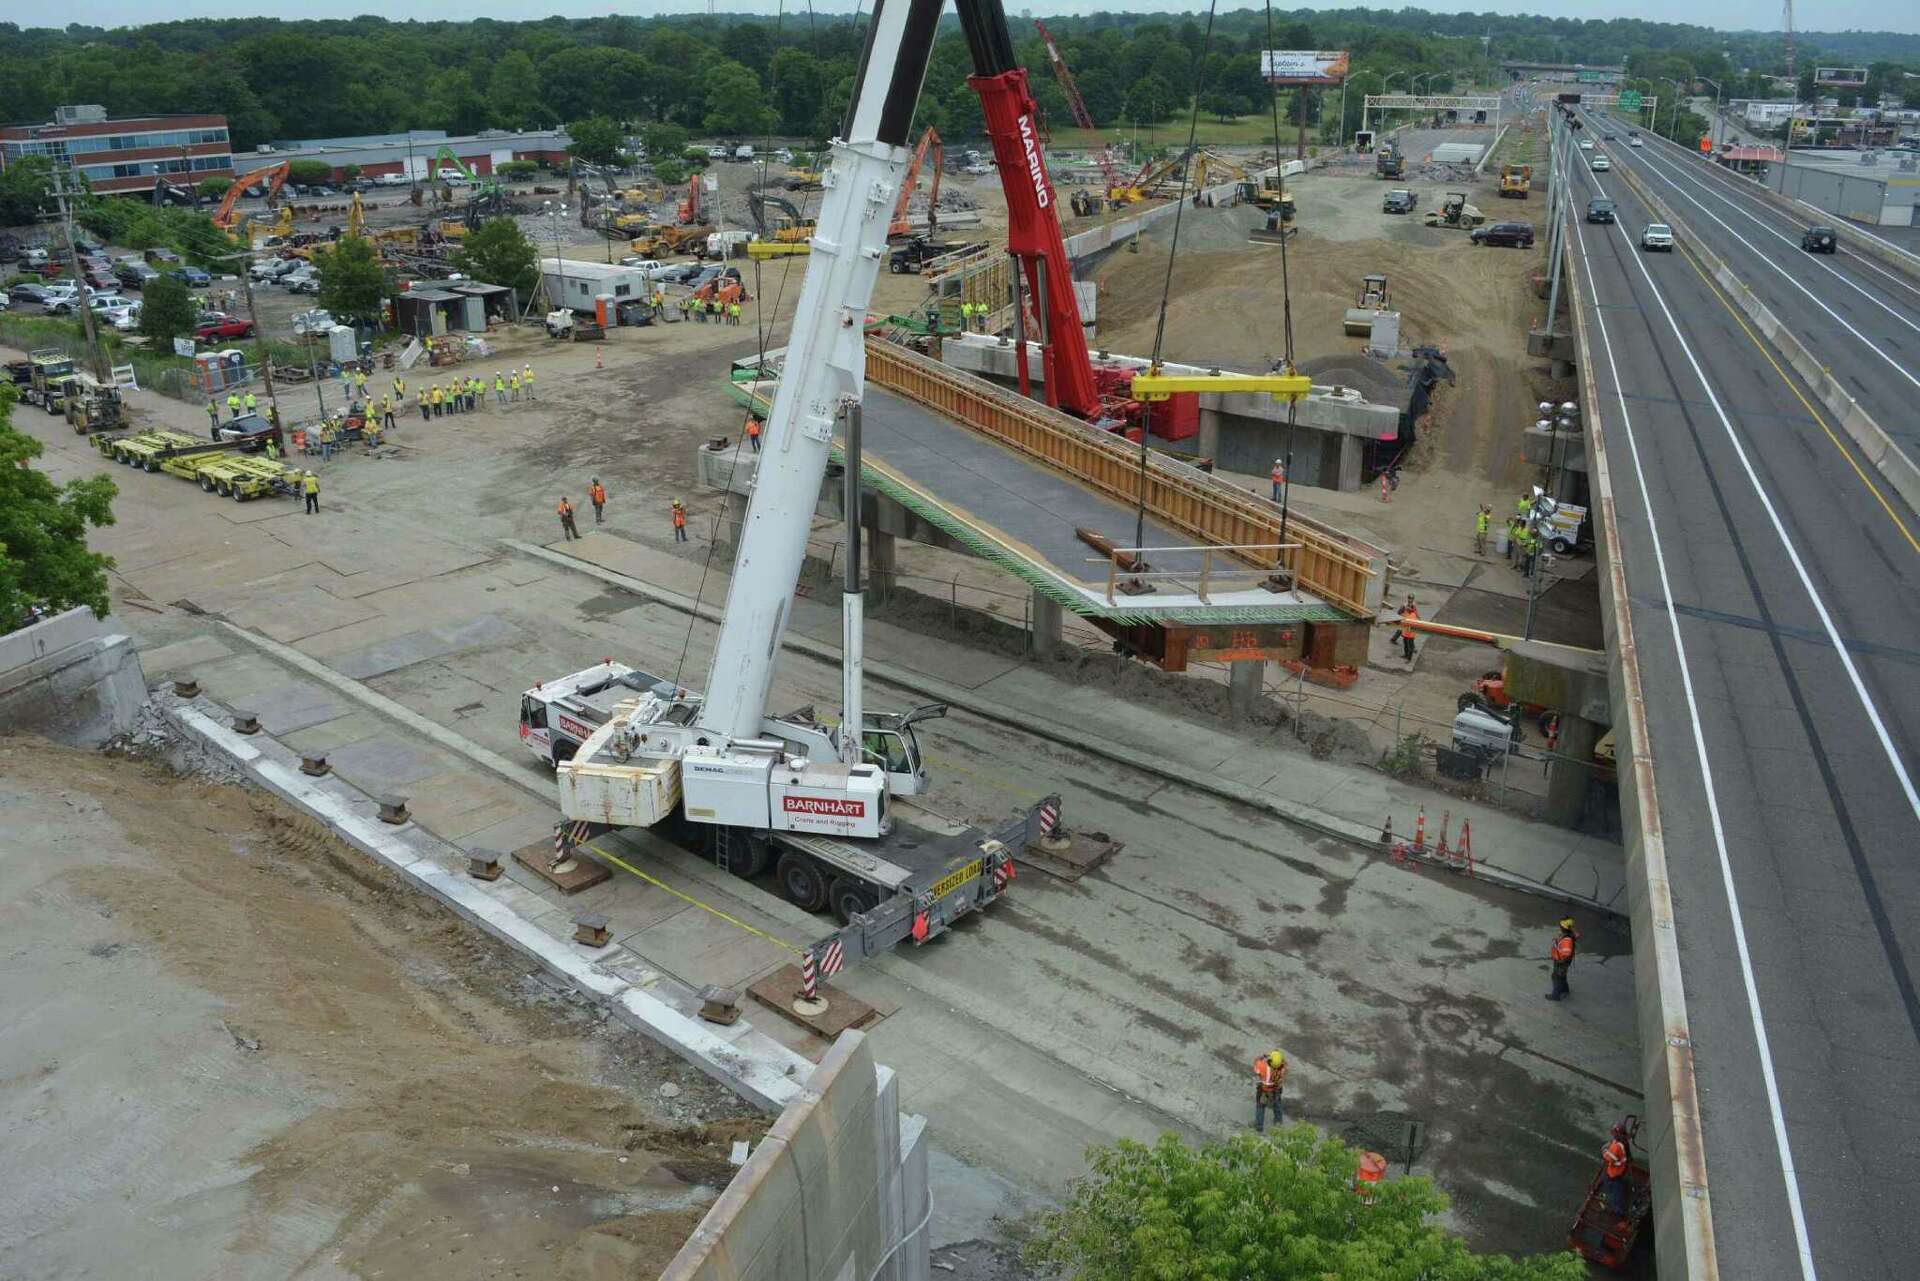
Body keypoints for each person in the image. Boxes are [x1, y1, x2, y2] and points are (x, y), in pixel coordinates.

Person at [1252, 1049, 1288, 1133]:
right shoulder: (1283, 1068)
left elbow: (1256, 1062)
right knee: (1277, 1105)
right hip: (1276, 1089)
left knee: (1260, 1107)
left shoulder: (1263, 1067)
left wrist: (1263, 1056)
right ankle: (1278, 1124)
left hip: (1264, 1090)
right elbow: (1285, 1063)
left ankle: (1259, 1126)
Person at [1548, 917, 1579, 1001]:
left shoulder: (1566, 940)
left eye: (1560, 925)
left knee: (1556, 977)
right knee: (1562, 976)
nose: (1559, 926)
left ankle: (1555, 996)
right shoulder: (1568, 934)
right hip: (1562, 962)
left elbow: (1566, 954)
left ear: (1564, 927)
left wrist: (1560, 962)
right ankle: (1565, 990)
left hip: (1561, 962)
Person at [1602, 1134, 1630, 1217]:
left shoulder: (1615, 1149)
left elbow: (1609, 1157)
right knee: (1617, 1190)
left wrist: (1605, 1151)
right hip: (1619, 1173)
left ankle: (1618, 1211)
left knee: (1616, 1193)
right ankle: (1618, 1208)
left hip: (1614, 1175)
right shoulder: (1622, 1146)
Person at [1397, 595, 1419, 663]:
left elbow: (1417, 620)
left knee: (1410, 646)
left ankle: (1409, 659)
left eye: (1409, 607)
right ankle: (1406, 655)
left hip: (1411, 633)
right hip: (1405, 631)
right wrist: (1403, 607)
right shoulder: (1406, 612)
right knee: (1406, 644)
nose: (1408, 608)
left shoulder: (1413, 615)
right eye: (1407, 607)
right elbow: (1399, 612)